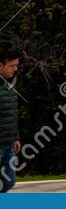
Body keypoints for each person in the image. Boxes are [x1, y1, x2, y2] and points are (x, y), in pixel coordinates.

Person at [0, 46, 20, 192]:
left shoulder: (8, 86)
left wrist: (15, 137)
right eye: (12, 66)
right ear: (0, 65)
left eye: (16, 65)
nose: (15, 69)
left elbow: (10, 115)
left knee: (8, 181)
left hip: (8, 142)